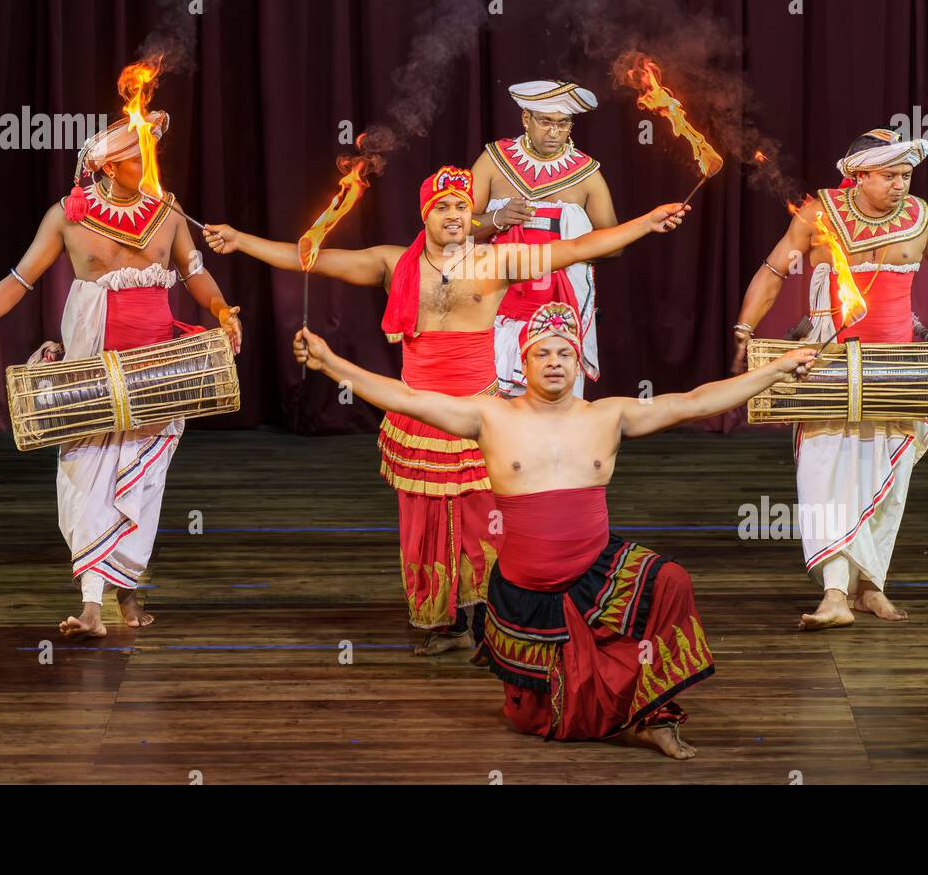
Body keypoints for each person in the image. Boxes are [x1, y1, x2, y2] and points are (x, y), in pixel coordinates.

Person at [293, 302, 816, 758]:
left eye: (564, 353)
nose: (554, 363)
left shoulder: (609, 415)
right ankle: (593, 700)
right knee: (527, 720)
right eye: (542, 353)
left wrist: (776, 370)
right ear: (523, 362)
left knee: (672, 581)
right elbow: (405, 398)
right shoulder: (489, 415)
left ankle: (654, 717)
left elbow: (695, 401)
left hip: (596, 571)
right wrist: (329, 361)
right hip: (526, 593)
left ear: (579, 363)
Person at [203, 167, 687, 654]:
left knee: (488, 524)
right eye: (443, 207)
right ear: (425, 214)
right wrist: (240, 239)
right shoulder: (393, 265)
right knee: (427, 524)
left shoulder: (497, 261)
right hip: (418, 414)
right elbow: (310, 259)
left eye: (461, 206)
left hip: (481, 413)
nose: (455, 215)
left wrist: (646, 221)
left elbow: (580, 249)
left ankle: (492, 625)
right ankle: (449, 624)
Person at [0, 115, 242, 637]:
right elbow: (20, 279)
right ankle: (92, 605)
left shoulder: (169, 212)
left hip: (155, 371)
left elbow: (195, 273)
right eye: (138, 157)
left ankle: (128, 591)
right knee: (85, 475)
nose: (149, 163)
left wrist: (223, 312)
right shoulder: (69, 216)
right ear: (107, 166)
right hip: (92, 370)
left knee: (144, 479)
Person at [731, 128, 928, 630]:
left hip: (896, 365)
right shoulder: (818, 214)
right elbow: (772, 271)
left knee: (889, 475)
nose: (900, 184)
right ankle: (834, 594)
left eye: (905, 175)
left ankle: (872, 585)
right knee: (824, 471)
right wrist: (745, 326)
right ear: (858, 174)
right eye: (889, 175)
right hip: (828, 364)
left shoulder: (922, 219)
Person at [469, 79, 618, 396]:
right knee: (495, 401)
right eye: (546, 122)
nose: (554, 132)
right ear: (526, 119)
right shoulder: (494, 160)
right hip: (496, 302)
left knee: (554, 397)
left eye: (563, 124)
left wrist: (565, 251)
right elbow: (454, 228)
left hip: (557, 307)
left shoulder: (586, 174)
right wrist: (497, 218)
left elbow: (613, 245)